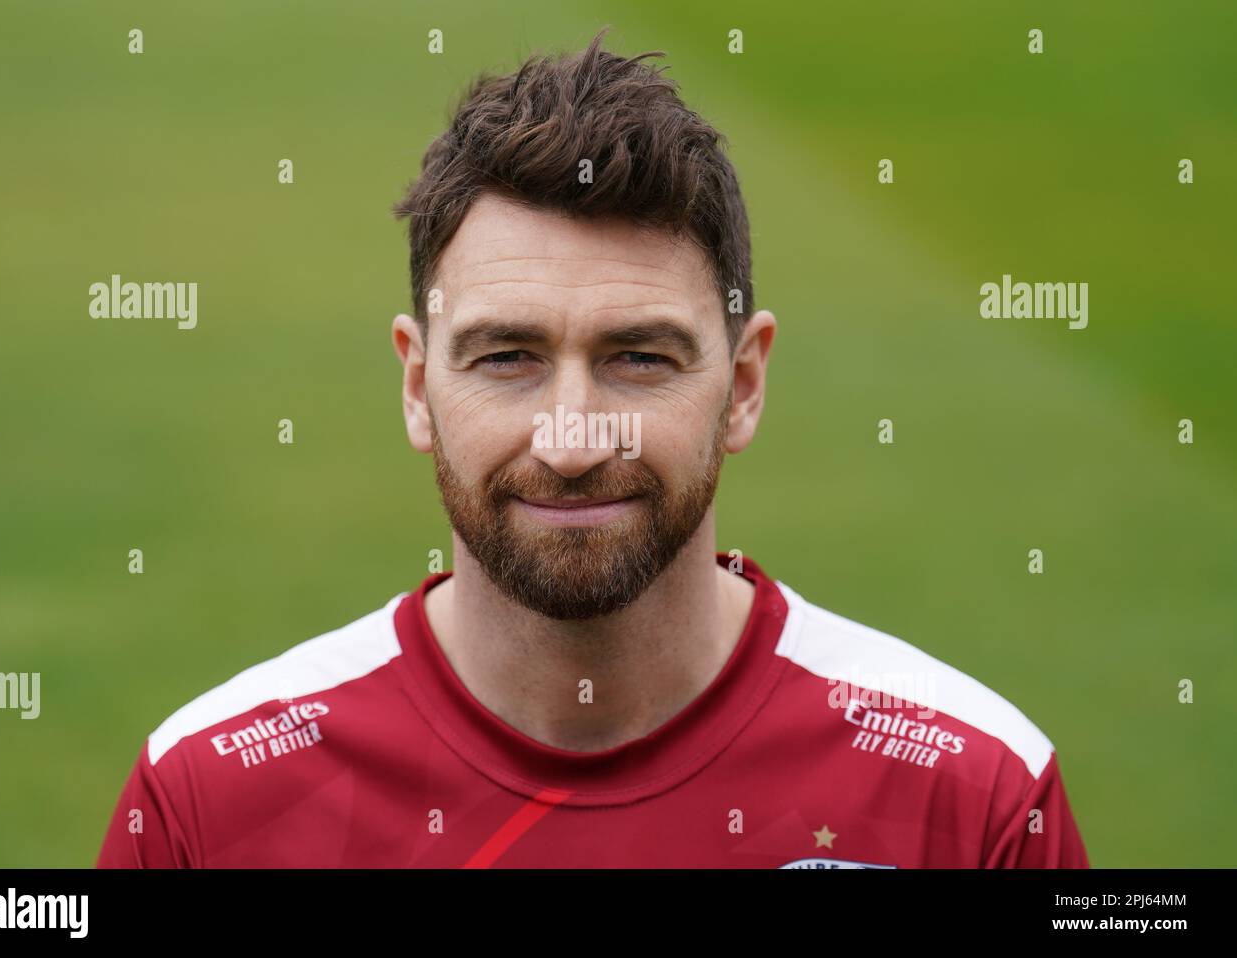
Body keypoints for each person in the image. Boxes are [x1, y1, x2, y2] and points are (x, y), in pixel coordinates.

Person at [97, 31, 1089, 868]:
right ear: (417, 384)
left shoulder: (971, 798)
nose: (571, 438)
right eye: (507, 357)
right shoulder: (207, 805)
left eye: (639, 358)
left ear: (743, 385)